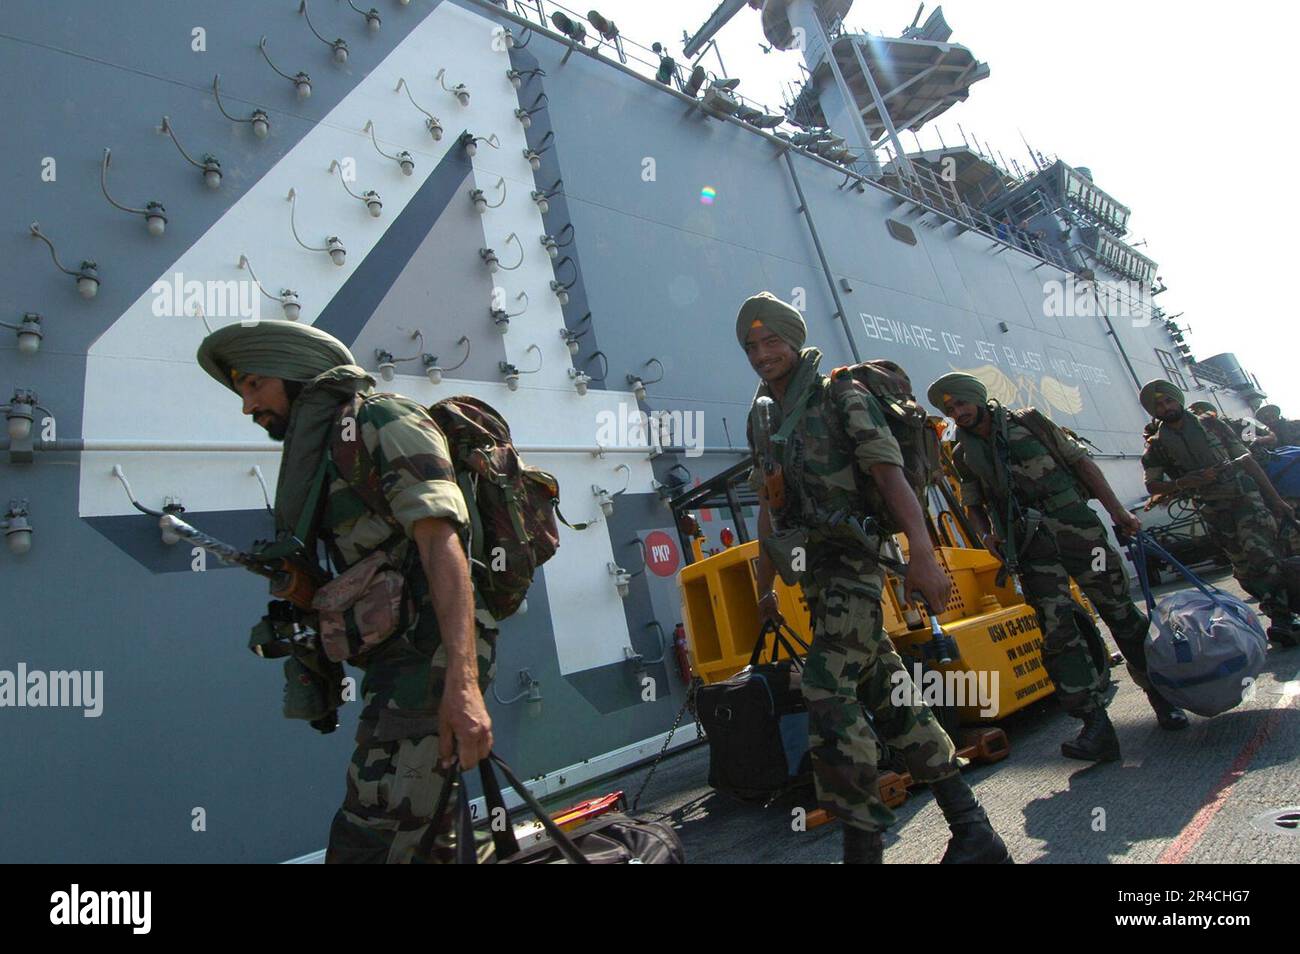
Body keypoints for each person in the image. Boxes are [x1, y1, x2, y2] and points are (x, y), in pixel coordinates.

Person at [197, 320, 495, 863]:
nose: (247, 407)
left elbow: (441, 542)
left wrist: (464, 681)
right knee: (427, 841)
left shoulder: (383, 418)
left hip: (430, 661)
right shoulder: (320, 455)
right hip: (396, 663)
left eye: (254, 386)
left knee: (371, 839)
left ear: (292, 375)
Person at [739, 292, 1010, 865]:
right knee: (893, 698)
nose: (763, 354)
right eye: (752, 346)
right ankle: (974, 833)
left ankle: (863, 850)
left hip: (857, 562)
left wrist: (924, 553)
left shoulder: (840, 392)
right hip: (815, 575)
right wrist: (764, 587)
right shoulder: (762, 415)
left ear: (794, 340)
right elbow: (769, 502)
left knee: (825, 688)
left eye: (772, 341)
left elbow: (888, 471)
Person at [928, 373, 1186, 757]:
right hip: (1030, 548)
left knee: (1121, 614)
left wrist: (1117, 512)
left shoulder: (1029, 422)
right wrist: (986, 537)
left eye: (961, 404)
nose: (958, 413)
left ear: (977, 400)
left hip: (1079, 532)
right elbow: (973, 503)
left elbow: (1082, 466)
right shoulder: (963, 454)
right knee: (1057, 631)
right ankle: (1095, 725)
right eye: (950, 409)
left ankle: (1163, 696)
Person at [1141, 381, 1299, 647]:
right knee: (1245, 571)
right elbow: (1152, 484)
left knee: (1262, 556)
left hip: (1245, 500)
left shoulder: (1212, 424)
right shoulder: (1157, 446)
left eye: (1169, 401)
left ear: (1177, 401)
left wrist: (1276, 500)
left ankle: (1282, 619)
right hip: (1213, 510)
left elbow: (1247, 459)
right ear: (1154, 411)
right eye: (1159, 405)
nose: (1166, 407)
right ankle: (1281, 612)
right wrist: (1184, 482)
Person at [1188, 401, 1277, 463]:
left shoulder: (1239, 424)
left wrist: (1259, 439)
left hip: (1260, 463)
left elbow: (1272, 436)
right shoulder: (1199, 438)